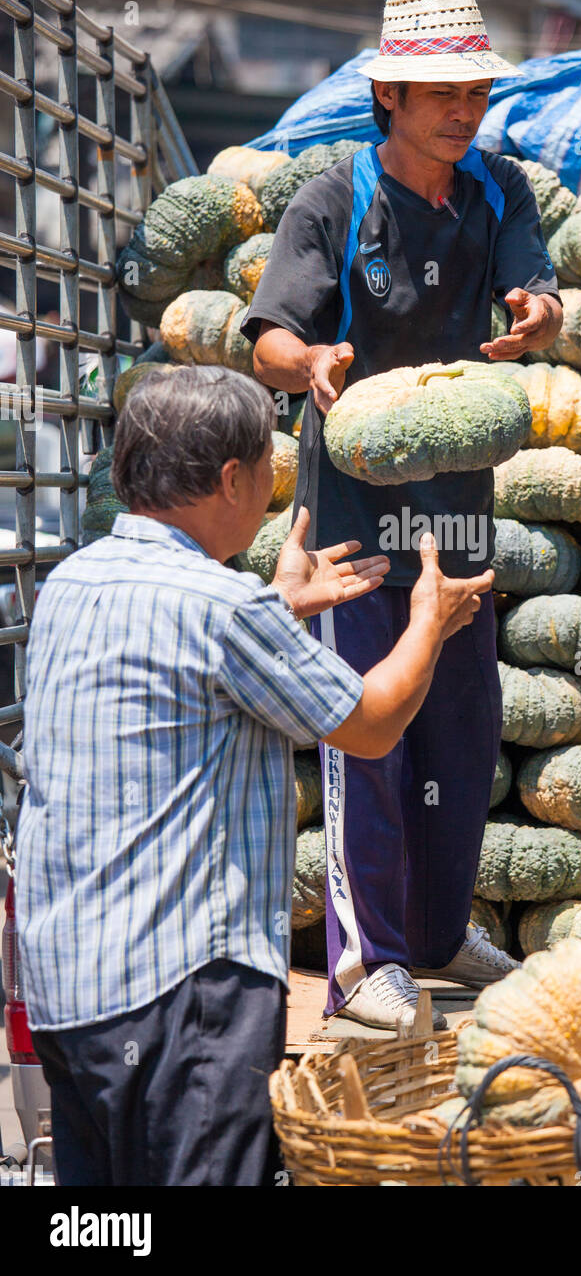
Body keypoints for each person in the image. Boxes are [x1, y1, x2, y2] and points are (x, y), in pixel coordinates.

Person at [14, 365, 494, 1186]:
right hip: (183, 997)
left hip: (69, 989)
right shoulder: (223, 609)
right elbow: (372, 726)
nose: (276, 486)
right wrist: (429, 622)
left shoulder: (70, 582)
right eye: (268, 470)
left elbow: (181, 665)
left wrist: (281, 607)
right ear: (232, 478)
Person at [241, 0, 563, 1031]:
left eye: (475, 90)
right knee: (363, 735)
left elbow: (538, 293)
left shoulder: (497, 191)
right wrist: (314, 358)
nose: (465, 110)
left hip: (458, 513)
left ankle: (433, 934)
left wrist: (534, 318)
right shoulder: (330, 202)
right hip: (353, 524)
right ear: (390, 93)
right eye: (443, 92)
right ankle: (363, 960)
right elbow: (267, 339)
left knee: (459, 732)